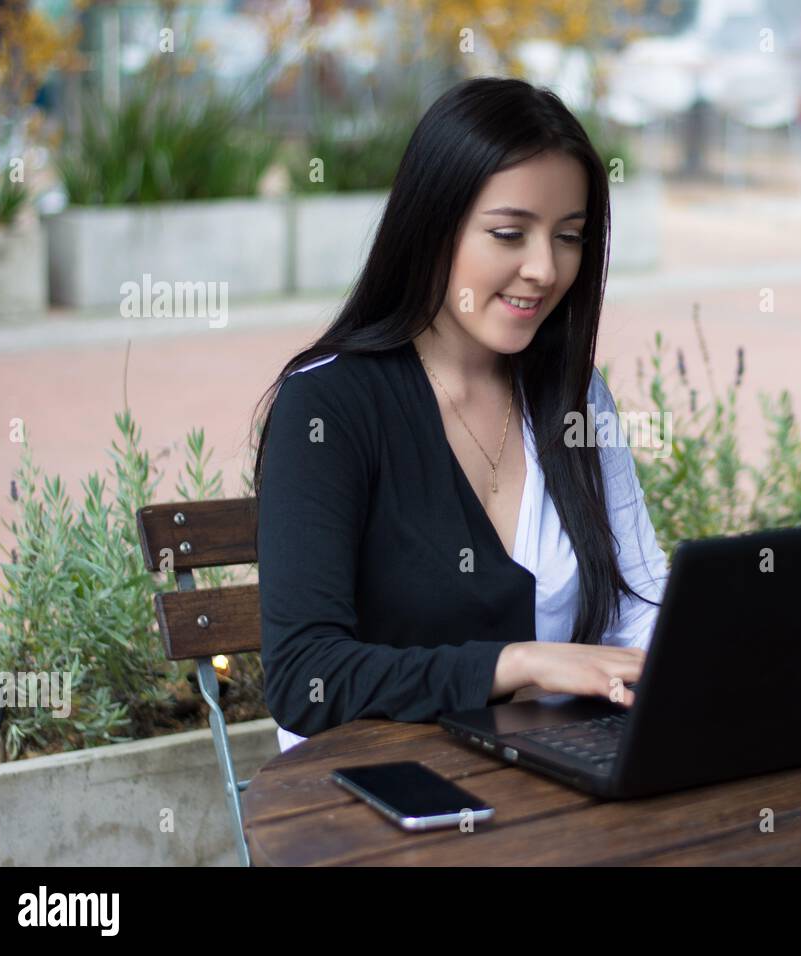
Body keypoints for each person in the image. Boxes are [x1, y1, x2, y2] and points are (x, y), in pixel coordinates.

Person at [250, 77, 669, 753]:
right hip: (379, 797)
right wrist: (517, 663)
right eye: (510, 233)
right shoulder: (327, 406)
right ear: (431, 226)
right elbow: (306, 676)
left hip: (553, 781)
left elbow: (638, 599)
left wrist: (717, 656)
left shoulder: (573, 395)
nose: (544, 268)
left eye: (569, 237)